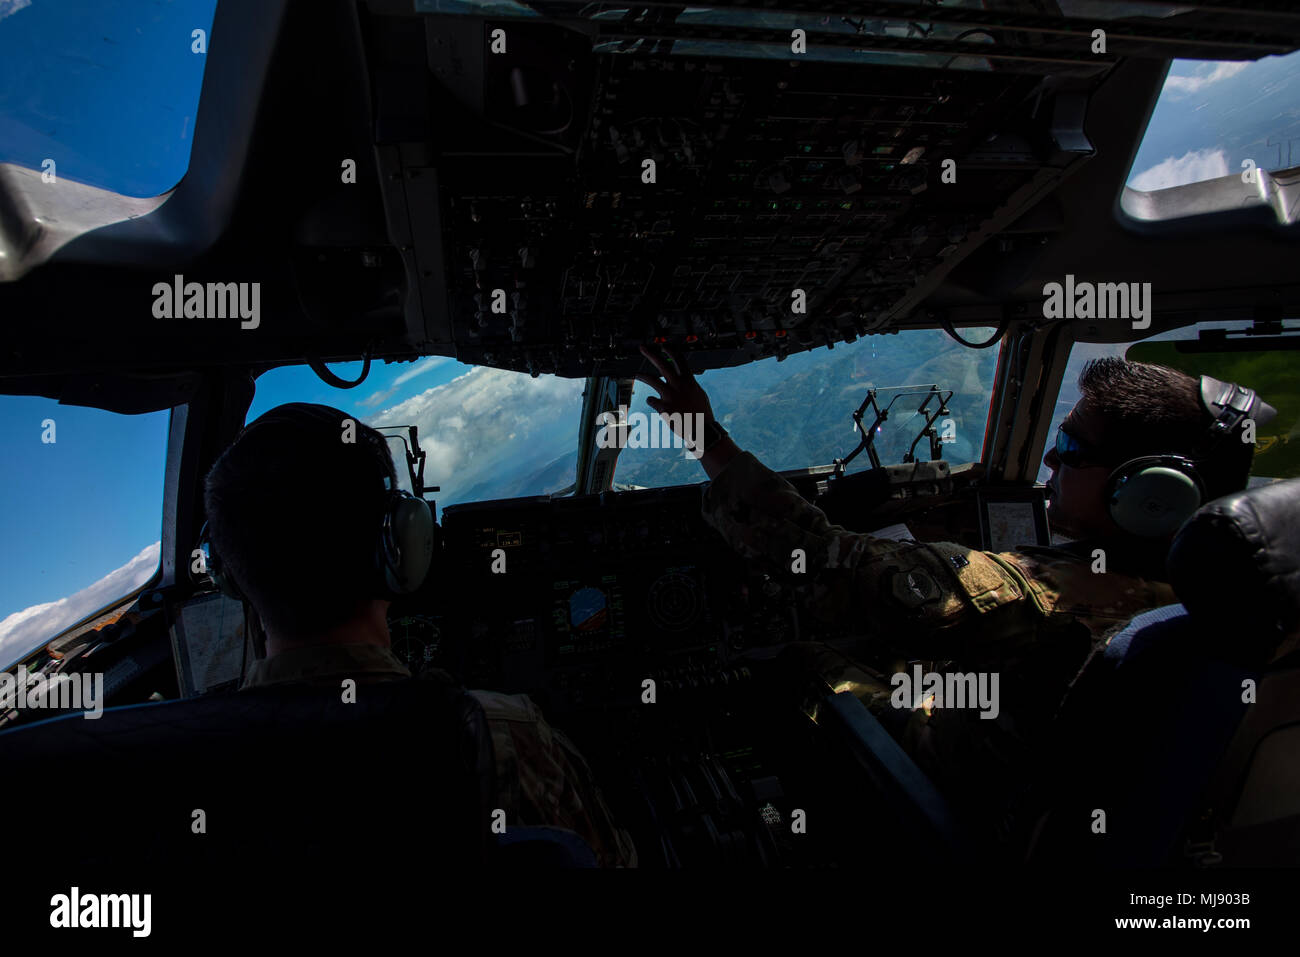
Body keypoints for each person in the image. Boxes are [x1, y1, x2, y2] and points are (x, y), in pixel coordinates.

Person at [635, 345, 1270, 847]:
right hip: (1074, 787)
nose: (1049, 453)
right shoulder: (1234, 595)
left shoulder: (1034, 596)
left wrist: (705, 437)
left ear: (1148, 493)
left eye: (1073, 447)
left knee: (805, 663)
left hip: (983, 794)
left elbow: (821, 559)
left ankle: (792, 828)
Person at [203, 402, 636, 867]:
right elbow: (609, 859)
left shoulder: (192, 766)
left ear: (227, 574)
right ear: (400, 547)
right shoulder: (498, 733)